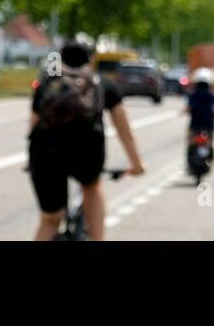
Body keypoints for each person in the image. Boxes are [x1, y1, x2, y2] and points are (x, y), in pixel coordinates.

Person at [28, 41, 145, 240]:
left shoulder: (48, 82)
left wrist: (30, 161)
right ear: (90, 60)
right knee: (92, 187)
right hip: (86, 150)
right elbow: (124, 130)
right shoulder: (101, 83)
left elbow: (34, 124)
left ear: (61, 59)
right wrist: (136, 164)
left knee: (50, 219)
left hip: (45, 152)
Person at [185, 67, 214, 143]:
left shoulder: (193, 93)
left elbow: (188, 107)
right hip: (209, 124)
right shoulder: (211, 94)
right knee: (211, 141)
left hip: (195, 123)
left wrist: (184, 111)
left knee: (190, 140)